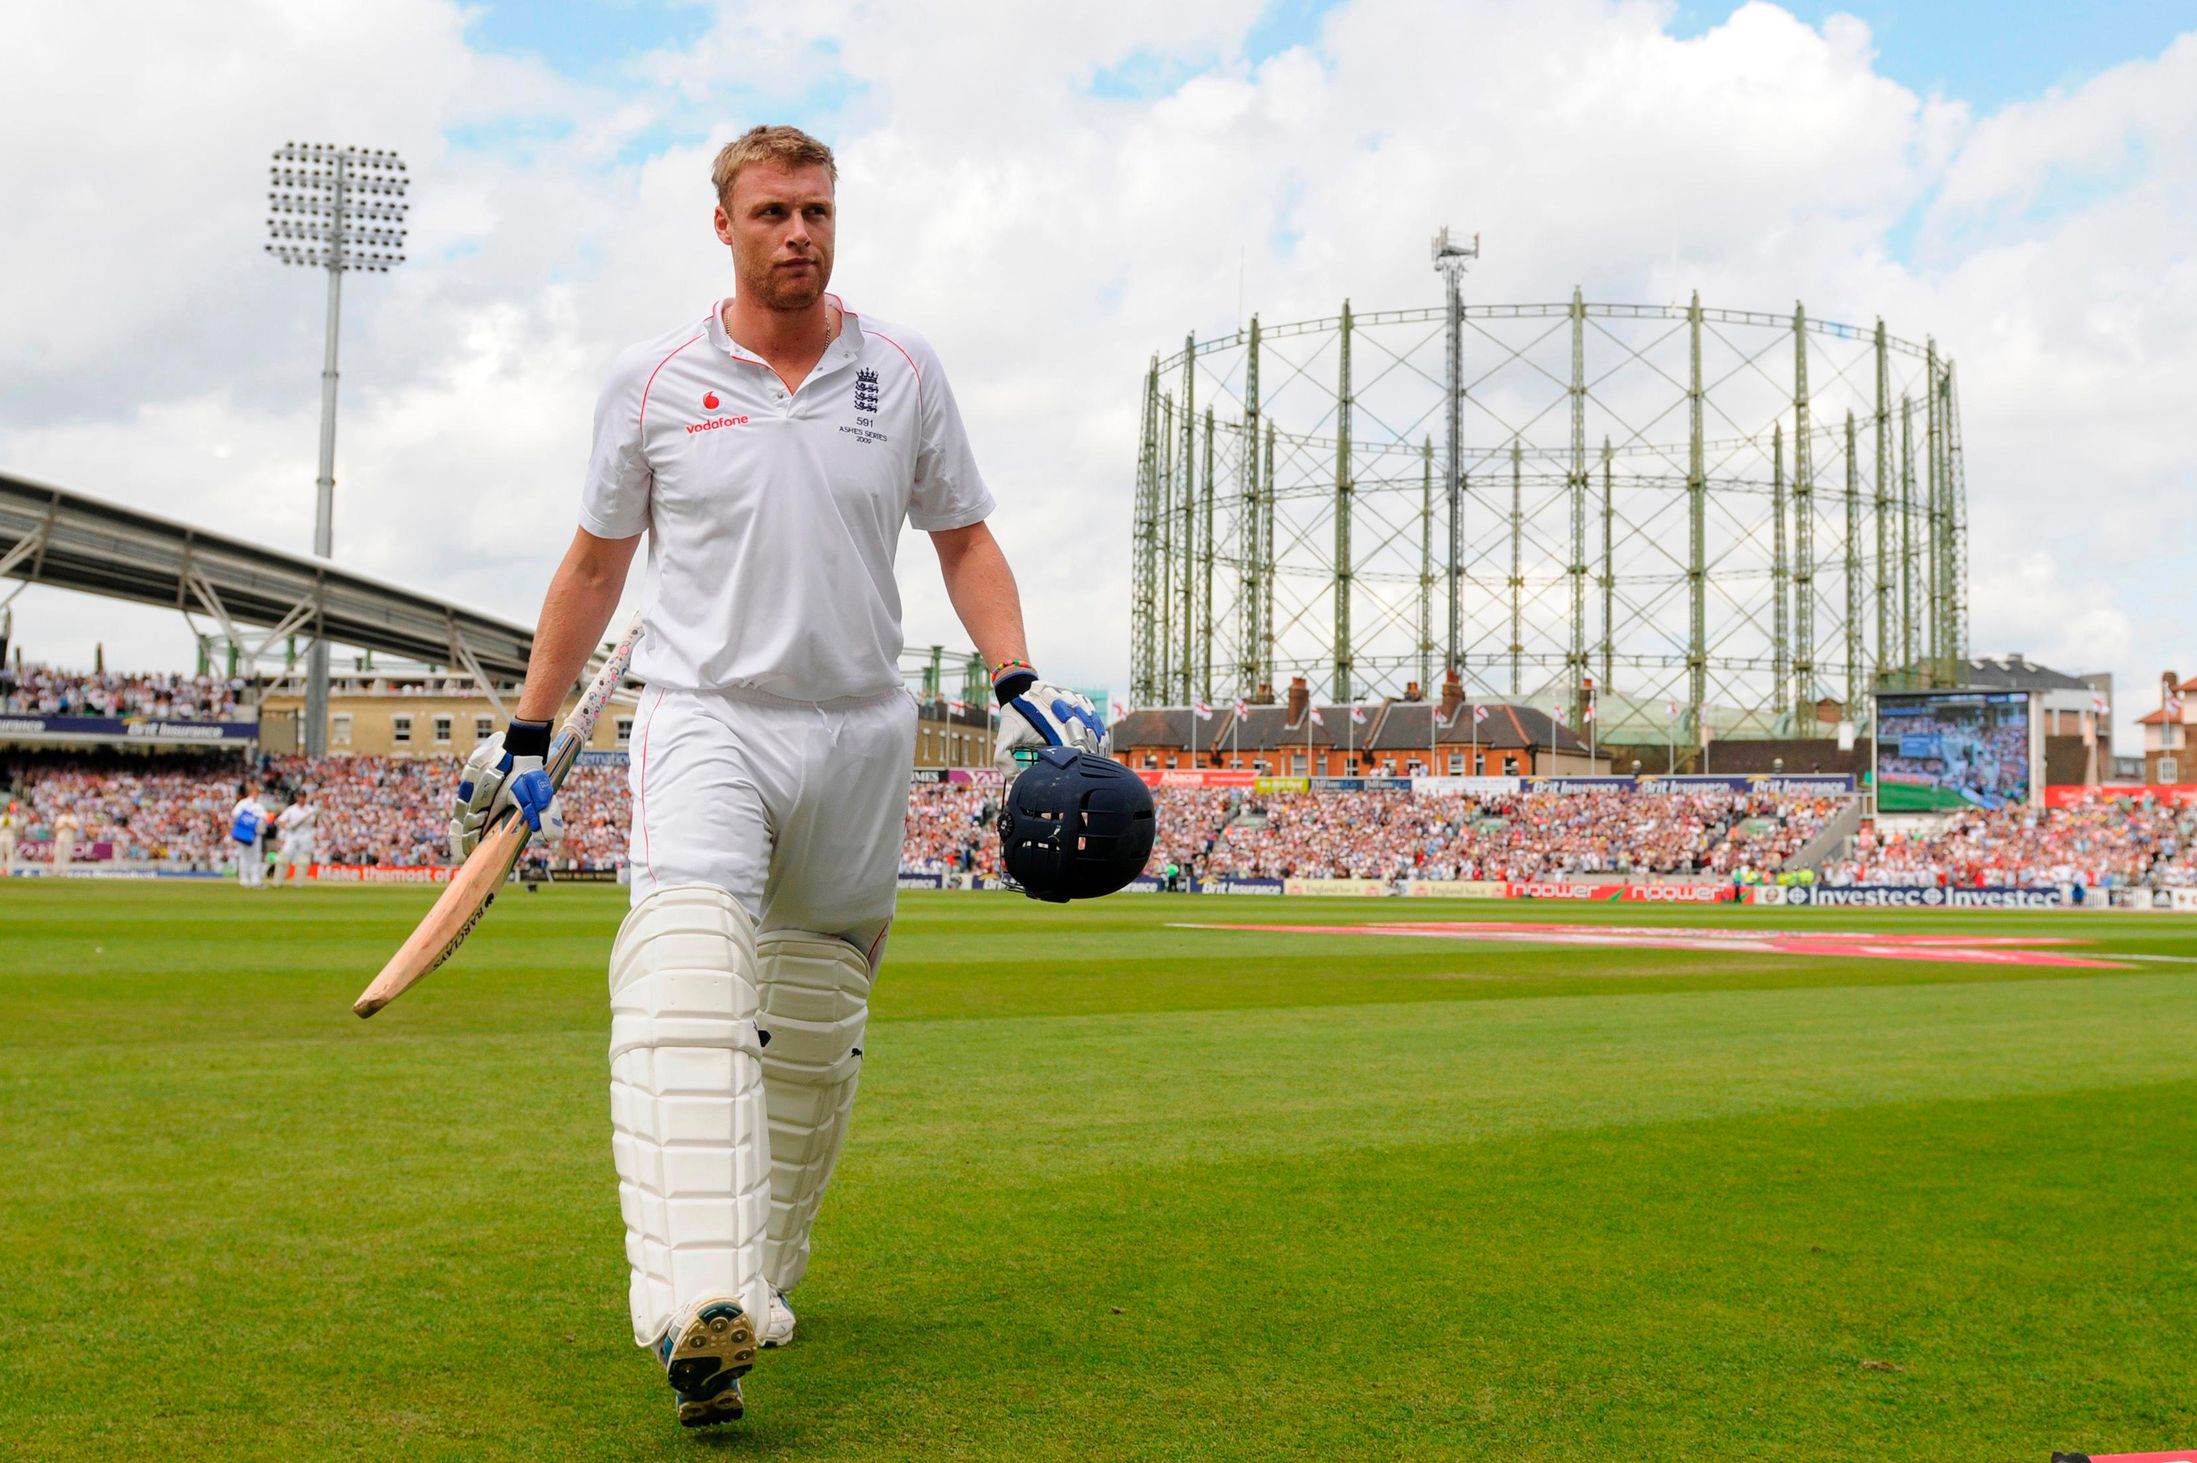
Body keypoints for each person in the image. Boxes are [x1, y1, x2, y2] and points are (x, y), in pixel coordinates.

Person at [446, 125, 1103, 1429]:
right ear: (724, 225)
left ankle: (757, 1291)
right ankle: (691, 1293)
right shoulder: (653, 381)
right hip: (707, 715)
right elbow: (592, 567)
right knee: (686, 973)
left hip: (864, 726)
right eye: (771, 213)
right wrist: (527, 736)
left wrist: (1018, 675)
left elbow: (964, 537)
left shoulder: (902, 369)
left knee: (809, 1025)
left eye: (815, 210)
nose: (798, 233)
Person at [274, 788, 317, 886]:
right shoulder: (291, 809)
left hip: (305, 836)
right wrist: (286, 825)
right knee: (283, 858)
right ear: (296, 797)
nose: (301, 799)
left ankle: (299, 883)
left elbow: (314, 824)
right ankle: (278, 882)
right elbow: (280, 821)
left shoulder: (310, 810)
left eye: (303, 797)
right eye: (299, 796)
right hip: (292, 836)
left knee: (303, 860)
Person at [229, 784, 269, 889]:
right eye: (255, 792)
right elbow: (235, 814)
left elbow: (265, 818)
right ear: (250, 793)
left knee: (256, 857)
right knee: (244, 856)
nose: (256, 795)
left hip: (256, 834)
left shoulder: (259, 805)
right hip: (244, 833)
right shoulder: (243, 804)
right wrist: (249, 817)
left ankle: (255, 880)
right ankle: (244, 880)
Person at [0, 799, 18, 872]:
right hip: (1, 838)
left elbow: (15, 827)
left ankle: (9, 871)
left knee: (10, 855)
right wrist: (4, 822)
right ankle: (0, 871)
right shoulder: (1, 817)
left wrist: (9, 822)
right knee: (0, 855)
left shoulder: (13, 818)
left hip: (10, 838)